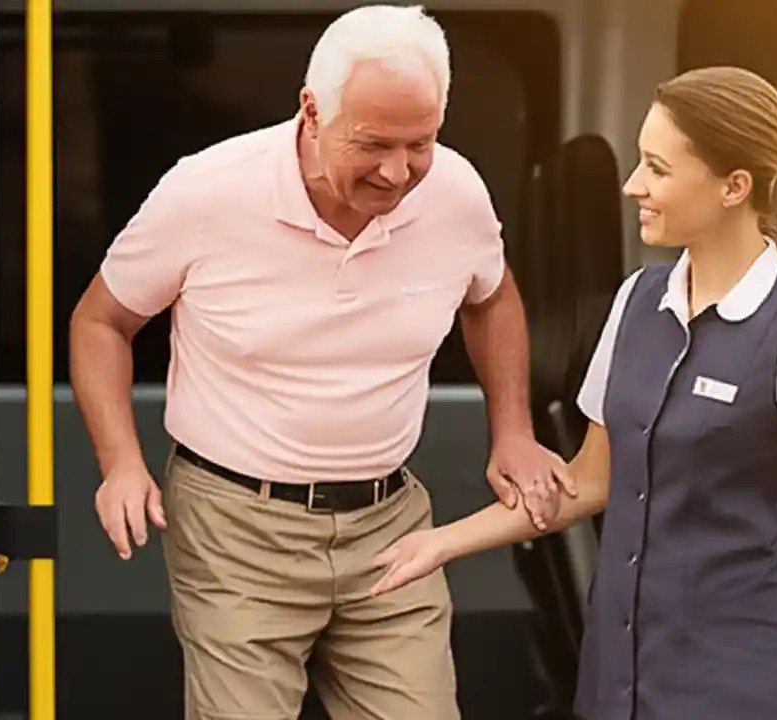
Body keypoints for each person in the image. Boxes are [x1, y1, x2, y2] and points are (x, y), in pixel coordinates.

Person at [367, 66, 777, 719]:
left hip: (738, 692)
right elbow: (588, 483)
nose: (633, 185)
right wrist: (440, 543)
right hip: (618, 687)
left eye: (657, 168)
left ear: (734, 187)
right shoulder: (638, 302)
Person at [67, 5, 572, 719]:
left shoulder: (455, 190)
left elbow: (491, 298)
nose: (398, 172)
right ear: (311, 111)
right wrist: (119, 460)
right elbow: (100, 322)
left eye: (420, 142)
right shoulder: (206, 190)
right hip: (234, 524)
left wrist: (512, 430)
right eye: (374, 144)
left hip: (390, 518)